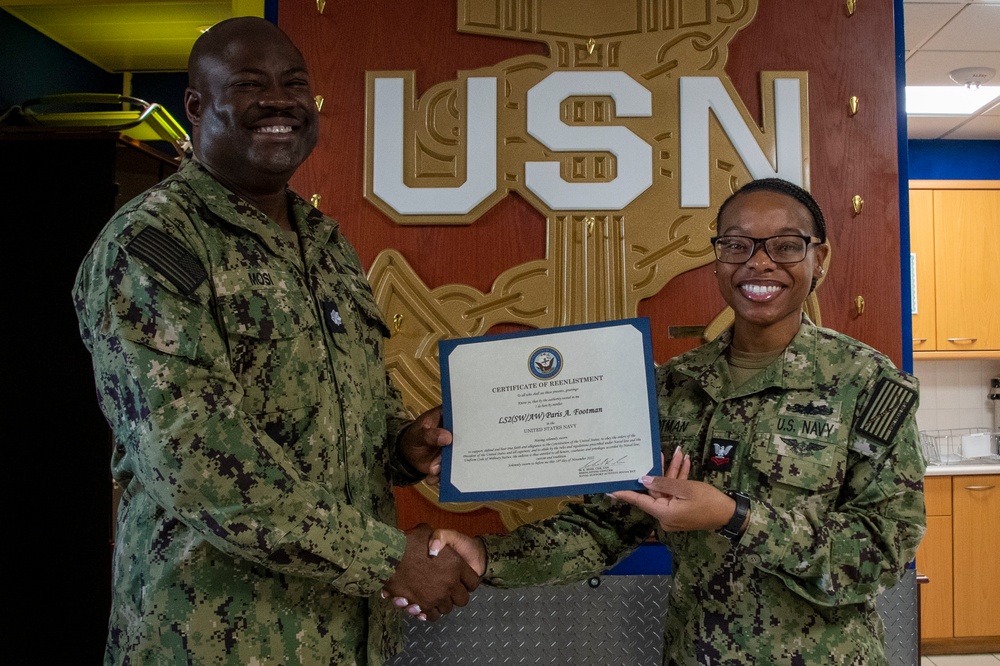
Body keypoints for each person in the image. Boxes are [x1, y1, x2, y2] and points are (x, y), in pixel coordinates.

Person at [72, 16, 478, 665]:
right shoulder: (154, 246)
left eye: (293, 83)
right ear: (197, 106)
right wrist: (388, 560)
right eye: (250, 83)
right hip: (213, 640)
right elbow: (198, 468)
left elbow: (341, 415)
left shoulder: (321, 240)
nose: (279, 100)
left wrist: (403, 445)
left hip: (348, 638)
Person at [424, 178, 927, 665]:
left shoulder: (867, 384)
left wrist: (737, 516)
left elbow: (882, 549)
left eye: (785, 246)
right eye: (737, 245)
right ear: (716, 259)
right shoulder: (670, 387)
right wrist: (487, 556)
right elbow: (603, 527)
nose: (759, 262)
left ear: (820, 259)